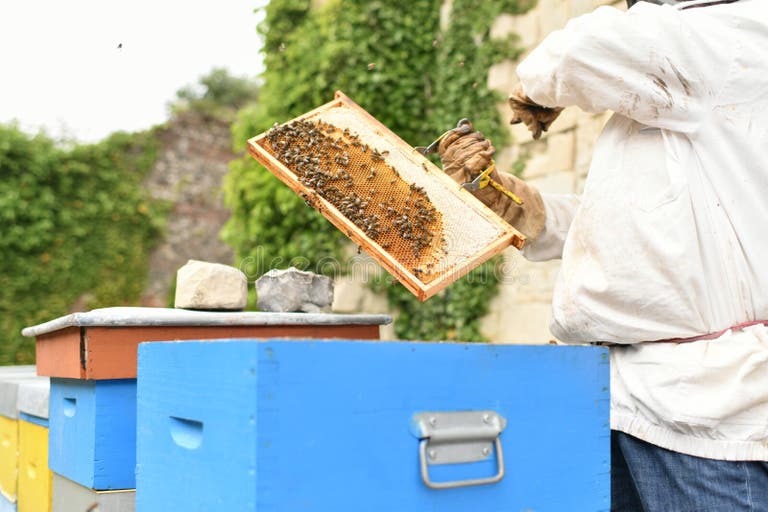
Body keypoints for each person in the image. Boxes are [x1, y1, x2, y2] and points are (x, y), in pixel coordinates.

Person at [438, 0, 768, 510]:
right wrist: (505, 199)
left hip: (708, 418)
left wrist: (537, 89)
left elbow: (578, 52)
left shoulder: (735, 37)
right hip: (622, 401)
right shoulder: (683, 87)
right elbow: (622, 225)